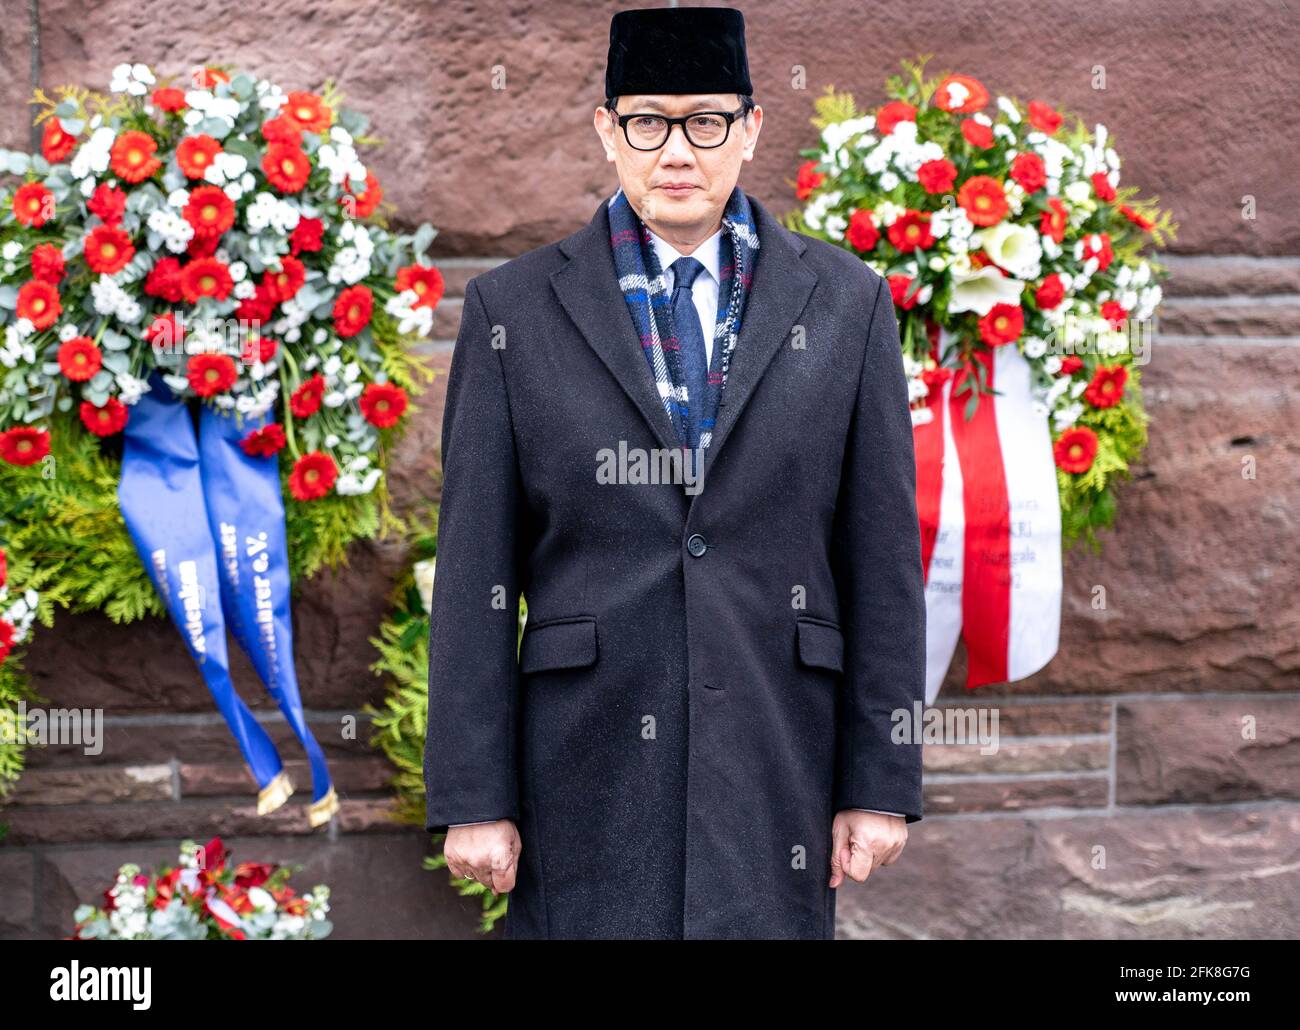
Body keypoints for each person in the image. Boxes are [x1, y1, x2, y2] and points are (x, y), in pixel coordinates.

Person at [424, 5, 925, 939]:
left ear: (750, 129)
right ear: (609, 131)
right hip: (584, 764)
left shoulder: (848, 303)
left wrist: (881, 782)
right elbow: (474, 572)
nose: (678, 151)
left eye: (707, 121)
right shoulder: (514, 310)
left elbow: (884, 565)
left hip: (778, 758)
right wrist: (472, 792)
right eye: (649, 121)